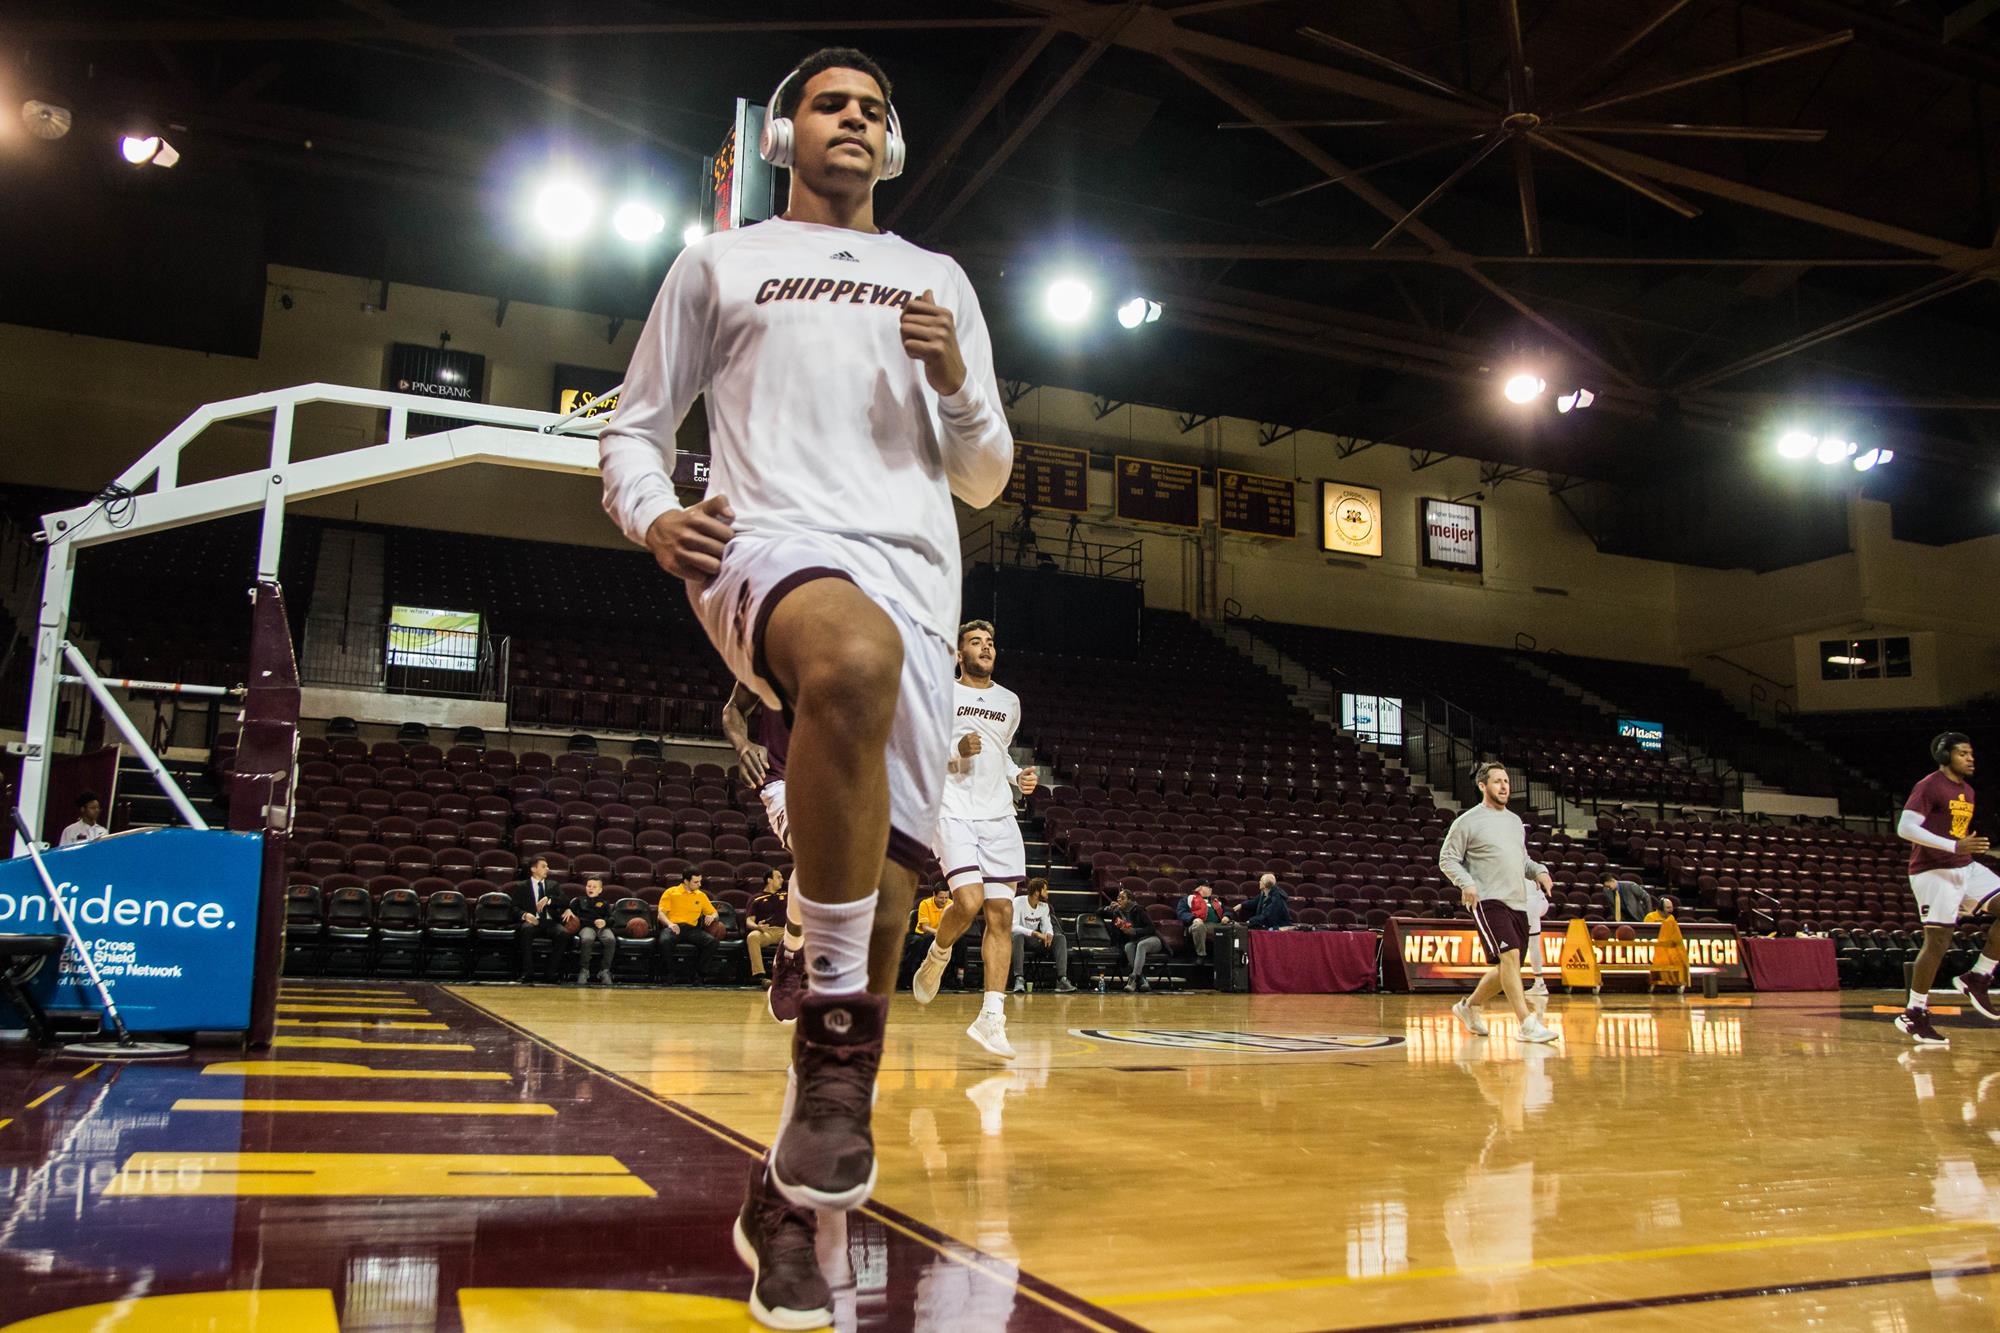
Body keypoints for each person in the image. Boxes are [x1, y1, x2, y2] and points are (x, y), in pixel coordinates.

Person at [597, 43, 1011, 1327]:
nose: (854, 120)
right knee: (847, 659)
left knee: (882, 899)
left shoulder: (938, 279)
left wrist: (954, 380)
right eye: (830, 103)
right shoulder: (718, 263)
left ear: (893, 144)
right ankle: (836, 1050)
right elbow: (633, 425)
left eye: (874, 109)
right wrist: (652, 515)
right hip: (764, 546)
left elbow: (986, 475)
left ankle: (788, 1202)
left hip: (915, 577)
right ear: (782, 135)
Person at [912, 620, 1037, 1060]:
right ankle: (939, 952)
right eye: (976, 642)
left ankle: (991, 1017)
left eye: (990, 643)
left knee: (1001, 913)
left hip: (998, 814)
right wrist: (956, 751)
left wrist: (1017, 777)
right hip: (952, 809)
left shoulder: (1009, 701)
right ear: (958, 654)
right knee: (968, 902)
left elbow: (1000, 753)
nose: (986, 648)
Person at [1440, 762, 1560, 1045]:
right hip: (1488, 899)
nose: (1504, 786)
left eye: (1506, 781)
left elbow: (1522, 860)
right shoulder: (1467, 821)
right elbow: (1447, 859)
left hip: (1518, 901)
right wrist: (1466, 883)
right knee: (1509, 958)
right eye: (1497, 781)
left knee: (1509, 966)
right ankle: (1527, 1024)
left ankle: (1468, 1007)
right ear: (1483, 786)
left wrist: (1539, 871)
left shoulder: (1514, 822)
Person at [1894, 733, 1995, 1047]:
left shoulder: (1968, 790)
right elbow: (1905, 828)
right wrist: (1953, 846)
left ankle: (1978, 976)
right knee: (1938, 942)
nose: (1970, 758)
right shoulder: (1929, 785)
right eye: (1963, 753)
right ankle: (1914, 1013)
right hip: (1933, 871)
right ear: (1944, 755)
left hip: (1964, 866)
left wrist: (1962, 849)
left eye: (1971, 753)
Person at [723, 682, 808, 1021]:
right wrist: (743, 745)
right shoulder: (769, 656)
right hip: (782, 780)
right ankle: (791, 955)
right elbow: (734, 708)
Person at [1008, 878, 1074, 993]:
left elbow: (1047, 926)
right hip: (1020, 941)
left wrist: (1049, 934)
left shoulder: (1044, 906)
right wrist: (1035, 933)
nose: (1047, 893)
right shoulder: (1018, 901)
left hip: (1035, 940)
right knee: (1018, 936)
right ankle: (1019, 979)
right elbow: (1013, 927)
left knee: (1060, 938)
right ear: (1036, 892)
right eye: (1045, 890)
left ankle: (1062, 979)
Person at [657, 873, 722, 985]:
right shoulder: (671, 892)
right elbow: (661, 914)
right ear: (686, 881)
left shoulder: (701, 895)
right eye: (696, 882)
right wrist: (669, 924)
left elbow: (715, 913)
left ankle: (699, 975)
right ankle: (668, 974)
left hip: (692, 929)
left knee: (712, 942)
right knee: (664, 941)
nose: (699, 884)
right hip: (674, 927)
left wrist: (712, 916)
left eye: (700, 881)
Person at [508, 855, 565, 982]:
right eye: (544, 866)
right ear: (533, 869)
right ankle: (528, 972)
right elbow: (513, 908)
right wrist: (525, 915)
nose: (547, 869)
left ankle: (551, 973)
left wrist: (549, 900)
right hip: (532, 922)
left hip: (550, 922)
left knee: (563, 933)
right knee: (526, 930)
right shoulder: (522, 886)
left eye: (547, 866)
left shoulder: (553, 885)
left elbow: (564, 901)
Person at [1107, 886, 1165, 992]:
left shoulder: (1139, 909)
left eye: (1122, 898)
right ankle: (1142, 980)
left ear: (1130, 900)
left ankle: (1133, 979)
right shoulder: (1117, 912)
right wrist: (1108, 908)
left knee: (1141, 945)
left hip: (1152, 940)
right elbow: (1099, 912)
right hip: (1135, 942)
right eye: (1118, 898)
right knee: (1128, 946)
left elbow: (1151, 928)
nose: (1119, 900)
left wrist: (1134, 931)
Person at [744, 866, 791, 988]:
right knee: (752, 937)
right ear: (769, 880)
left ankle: (801, 976)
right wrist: (757, 927)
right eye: (779, 877)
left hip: (785, 931)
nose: (782, 879)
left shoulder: (787, 895)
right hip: (766, 931)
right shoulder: (756, 898)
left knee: (804, 938)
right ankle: (760, 976)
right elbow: (749, 921)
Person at [902, 882, 955, 987]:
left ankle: (956, 977)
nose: (944, 901)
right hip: (925, 933)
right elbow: (925, 927)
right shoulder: (925, 904)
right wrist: (939, 933)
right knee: (927, 939)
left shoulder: (951, 904)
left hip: (941, 934)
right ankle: (918, 975)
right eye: (941, 898)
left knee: (960, 940)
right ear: (934, 895)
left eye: (946, 897)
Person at [570, 876, 618, 986]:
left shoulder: (604, 903)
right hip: (586, 926)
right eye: (589, 886)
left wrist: (605, 922)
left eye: (594, 887)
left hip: (602, 927)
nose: (590, 888)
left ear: (600, 890)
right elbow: (573, 918)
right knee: (587, 939)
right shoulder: (578, 901)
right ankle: (584, 970)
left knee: (610, 939)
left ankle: (604, 970)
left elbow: (612, 919)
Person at [1176, 881, 1228, 960]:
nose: (1210, 889)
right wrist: (1193, 918)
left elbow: (1227, 910)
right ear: (1199, 888)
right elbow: (1181, 912)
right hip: (1198, 925)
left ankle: (1231, 955)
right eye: (1208, 887)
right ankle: (1201, 955)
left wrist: (1226, 916)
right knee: (1199, 925)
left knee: (1236, 926)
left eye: (1211, 887)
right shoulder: (1189, 898)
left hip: (1216, 925)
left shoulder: (1215, 900)